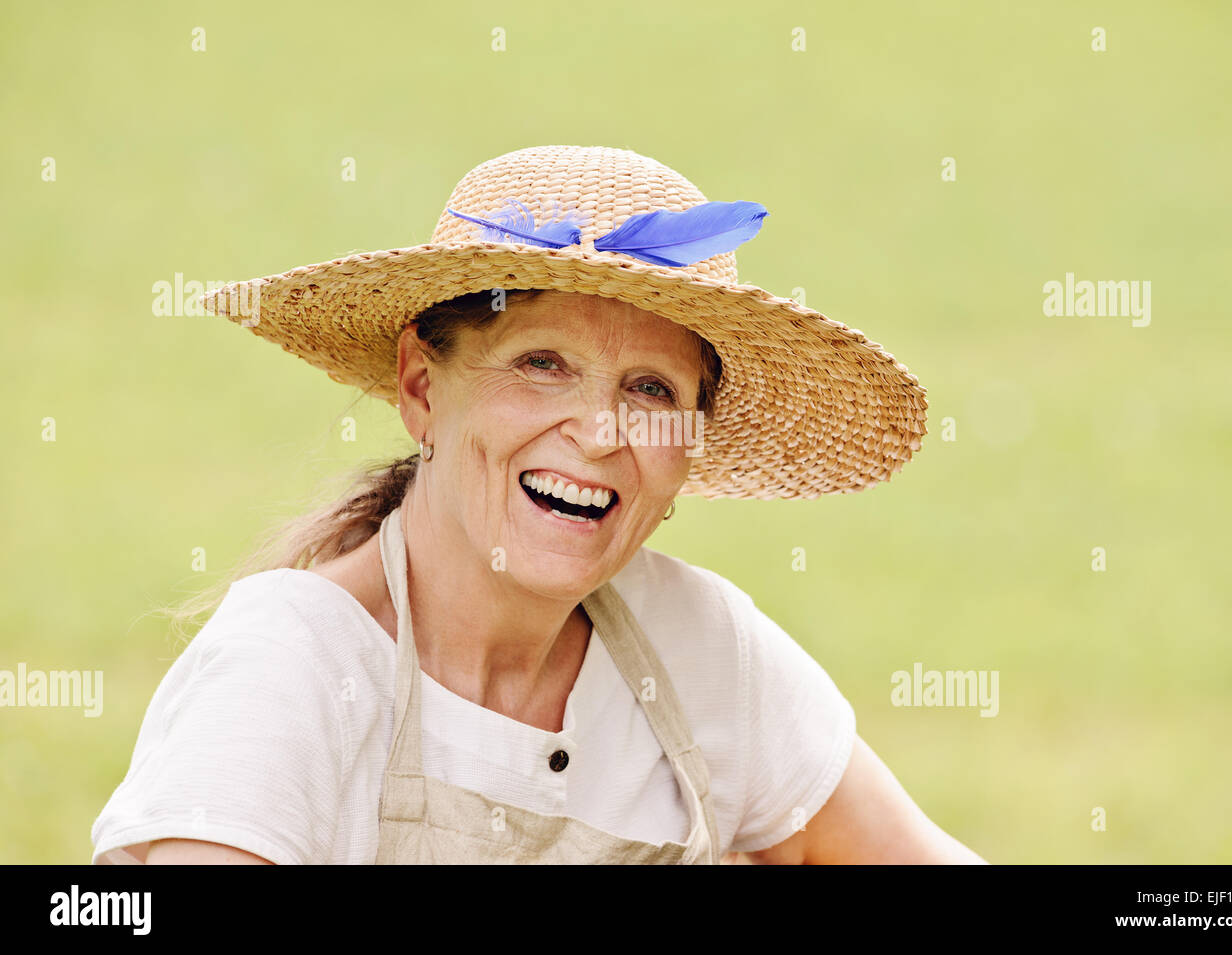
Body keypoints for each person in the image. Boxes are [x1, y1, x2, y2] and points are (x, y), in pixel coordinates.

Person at [91, 144, 985, 864]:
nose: (599, 432)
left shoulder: (704, 649)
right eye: (541, 363)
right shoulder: (286, 667)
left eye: (651, 389)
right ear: (421, 387)